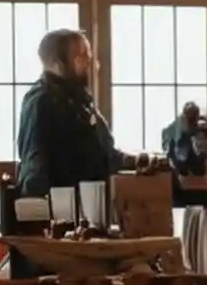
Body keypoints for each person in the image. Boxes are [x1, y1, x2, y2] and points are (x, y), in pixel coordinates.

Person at [16, 28, 153, 197]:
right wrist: (39, 212)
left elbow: (105, 154)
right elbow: (35, 162)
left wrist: (138, 161)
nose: (90, 62)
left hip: (92, 203)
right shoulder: (40, 101)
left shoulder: (81, 101)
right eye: (82, 55)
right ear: (57, 62)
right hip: (62, 210)